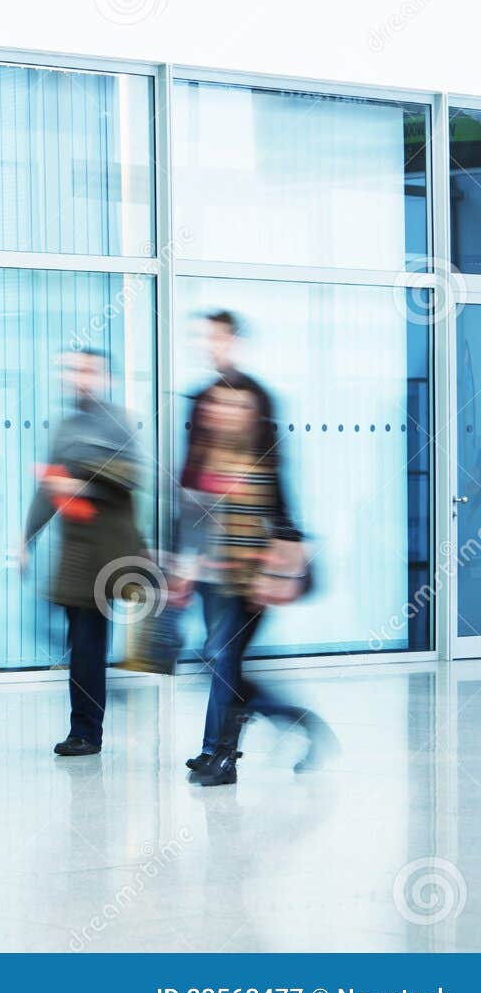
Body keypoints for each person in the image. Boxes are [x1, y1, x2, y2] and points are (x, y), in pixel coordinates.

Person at [174, 312, 336, 787]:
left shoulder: (259, 419)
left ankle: (225, 756)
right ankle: (234, 742)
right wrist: (181, 560)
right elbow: (187, 493)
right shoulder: (201, 413)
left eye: (217, 339)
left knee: (223, 658)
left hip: (250, 568)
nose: (220, 415)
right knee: (216, 658)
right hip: (212, 564)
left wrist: (283, 551)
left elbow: (280, 492)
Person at [20, 347, 145, 757]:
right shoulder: (66, 427)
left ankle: (86, 732)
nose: (80, 378)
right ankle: (89, 716)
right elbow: (49, 486)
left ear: (105, 377)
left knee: (88, 645)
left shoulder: (117, 422)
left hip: (105, 552)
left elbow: (134, 475)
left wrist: (84, 482)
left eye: (89, 371)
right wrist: (26, 538)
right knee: (74, 641)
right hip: (73, 551)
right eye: (74, 370)